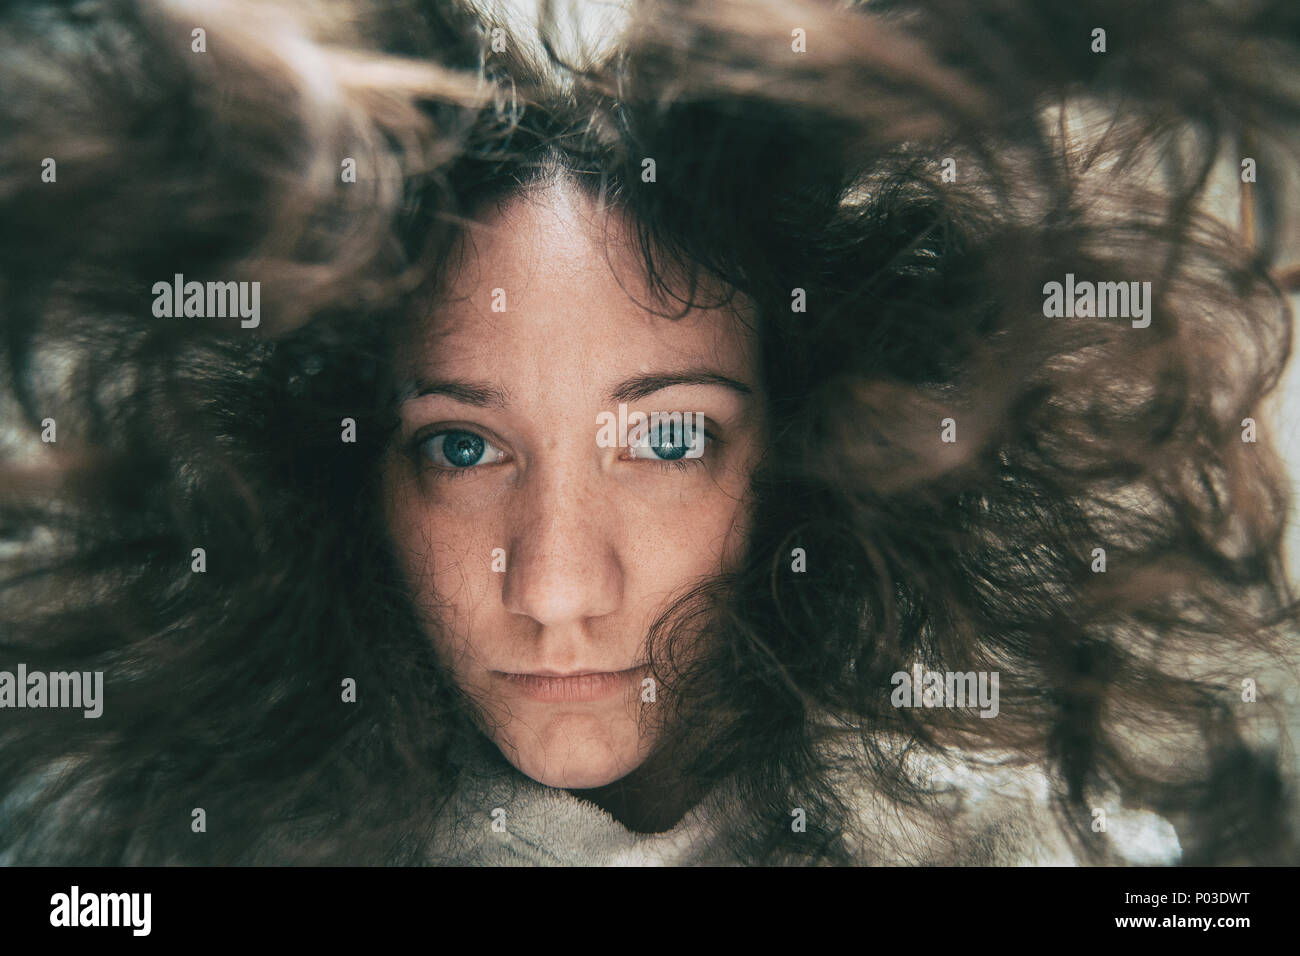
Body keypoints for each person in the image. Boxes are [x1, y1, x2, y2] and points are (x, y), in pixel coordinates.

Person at [1, 0, 1298, 866]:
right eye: (462, 448)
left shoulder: (1051, 832)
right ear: (338, 481)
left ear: (807, 454)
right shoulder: (181, 842)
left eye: (669, 441)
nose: (559, 583)